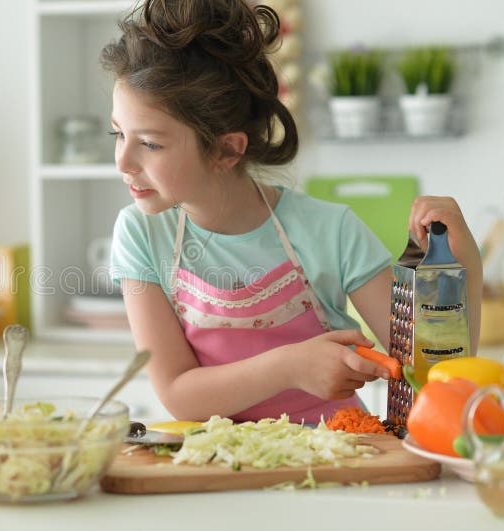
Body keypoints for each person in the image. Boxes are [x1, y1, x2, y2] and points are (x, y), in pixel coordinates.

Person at [101, 0, 482, 423]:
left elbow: (432, 377)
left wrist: (466, 264)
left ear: (227, 149)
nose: (122, 161)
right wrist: (291, 367)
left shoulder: (330, 230)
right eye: (118, 134)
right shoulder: (140, 232)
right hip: (211, 467)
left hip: (338, 459)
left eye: (150, 143)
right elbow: (177, 393)